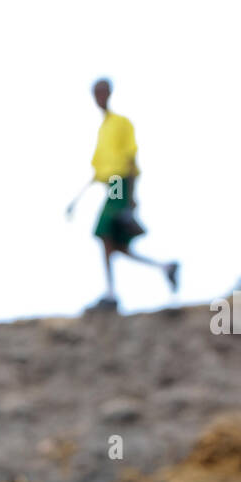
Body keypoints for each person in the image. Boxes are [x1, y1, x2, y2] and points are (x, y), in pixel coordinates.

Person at [66, 79, 179, 311]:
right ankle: (165, 267)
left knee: (103, 230)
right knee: (111, 244)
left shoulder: (120, 123)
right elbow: (97, 172)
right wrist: (75, 201)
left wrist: (129, 197)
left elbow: (129, 159)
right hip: (111, 184)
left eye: (101, 92)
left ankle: (111, 294)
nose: (98, 97)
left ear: (108, 93)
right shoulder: (103, 128)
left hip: (119, 182)